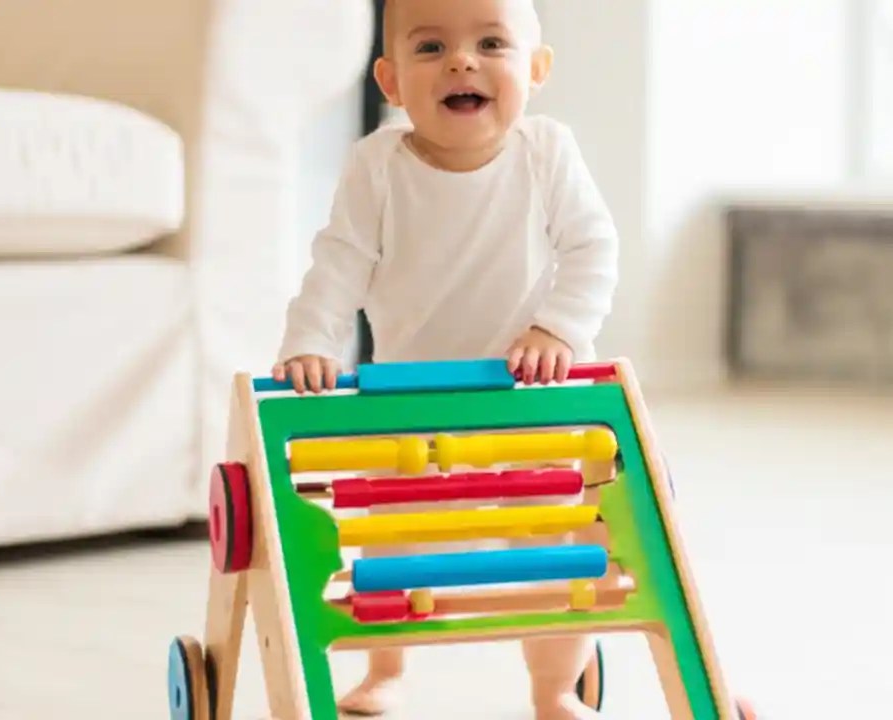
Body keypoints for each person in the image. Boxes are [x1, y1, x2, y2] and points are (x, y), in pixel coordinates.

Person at [271, 0, 618, 717]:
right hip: (412, 401)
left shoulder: (547, 151)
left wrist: (558, 329)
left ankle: (555, 687)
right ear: (391, 81)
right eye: (431, 48)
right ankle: (386, 670)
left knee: (559, 544)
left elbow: (591, 250)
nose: (462, 61)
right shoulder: (377, 165)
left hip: (526, 395)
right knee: (395, 545)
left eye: (492, 42)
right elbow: (337, 266)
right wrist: (310, 340)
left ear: (537, 68)